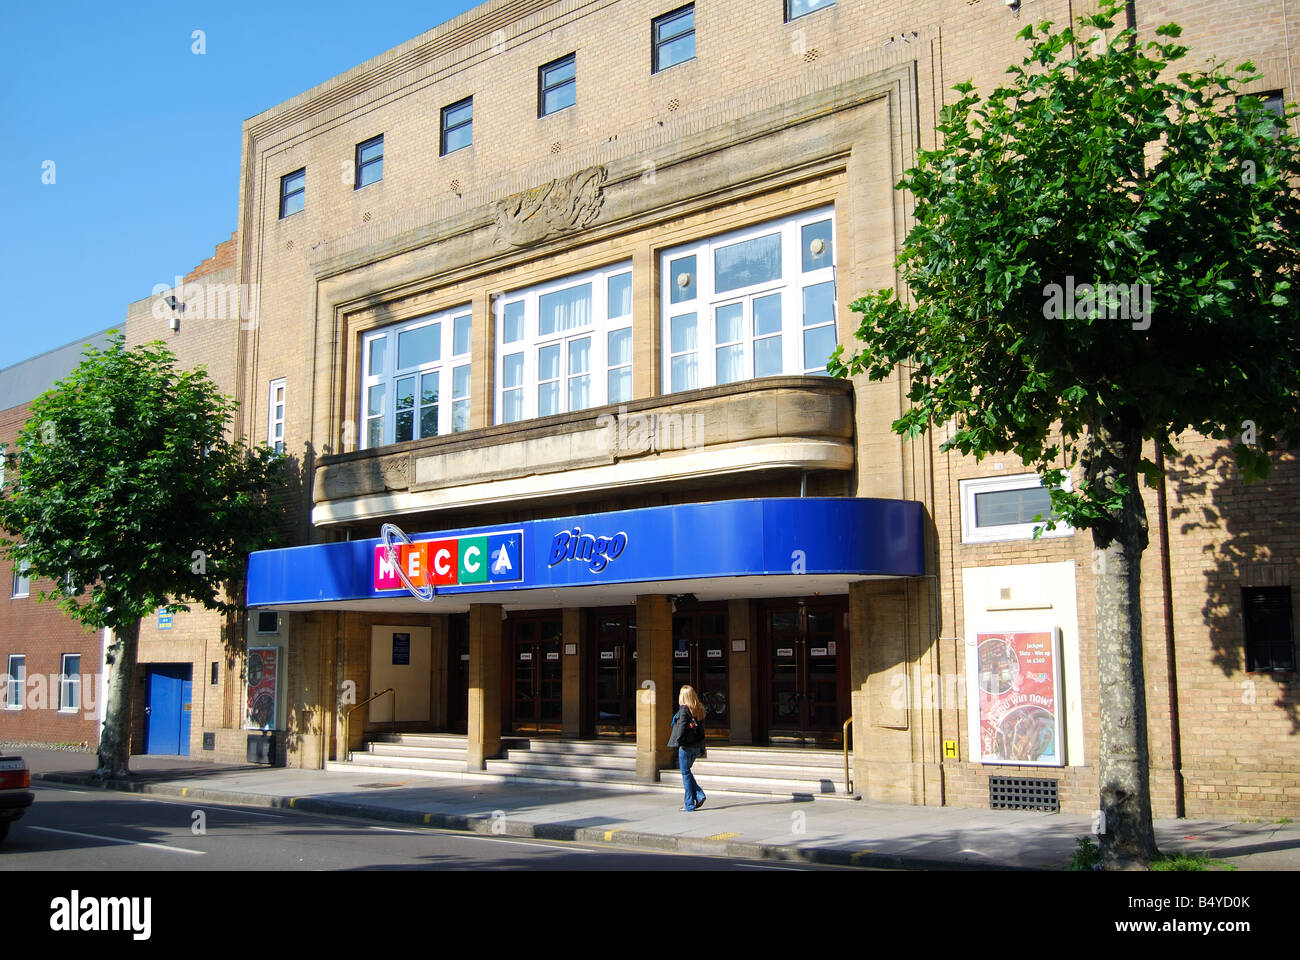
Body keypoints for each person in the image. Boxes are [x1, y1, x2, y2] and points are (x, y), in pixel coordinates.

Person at [668, 685, 707, 811]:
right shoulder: (699, 709)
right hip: (696, 747)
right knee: (687, 773)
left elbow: (680, 730)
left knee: (685, 774)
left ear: (683, 696)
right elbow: (702, 731)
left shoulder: (684, 710)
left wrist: (678, 742)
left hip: (686, 747)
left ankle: (689, 804)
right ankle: (698, 796)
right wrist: (702, 748)